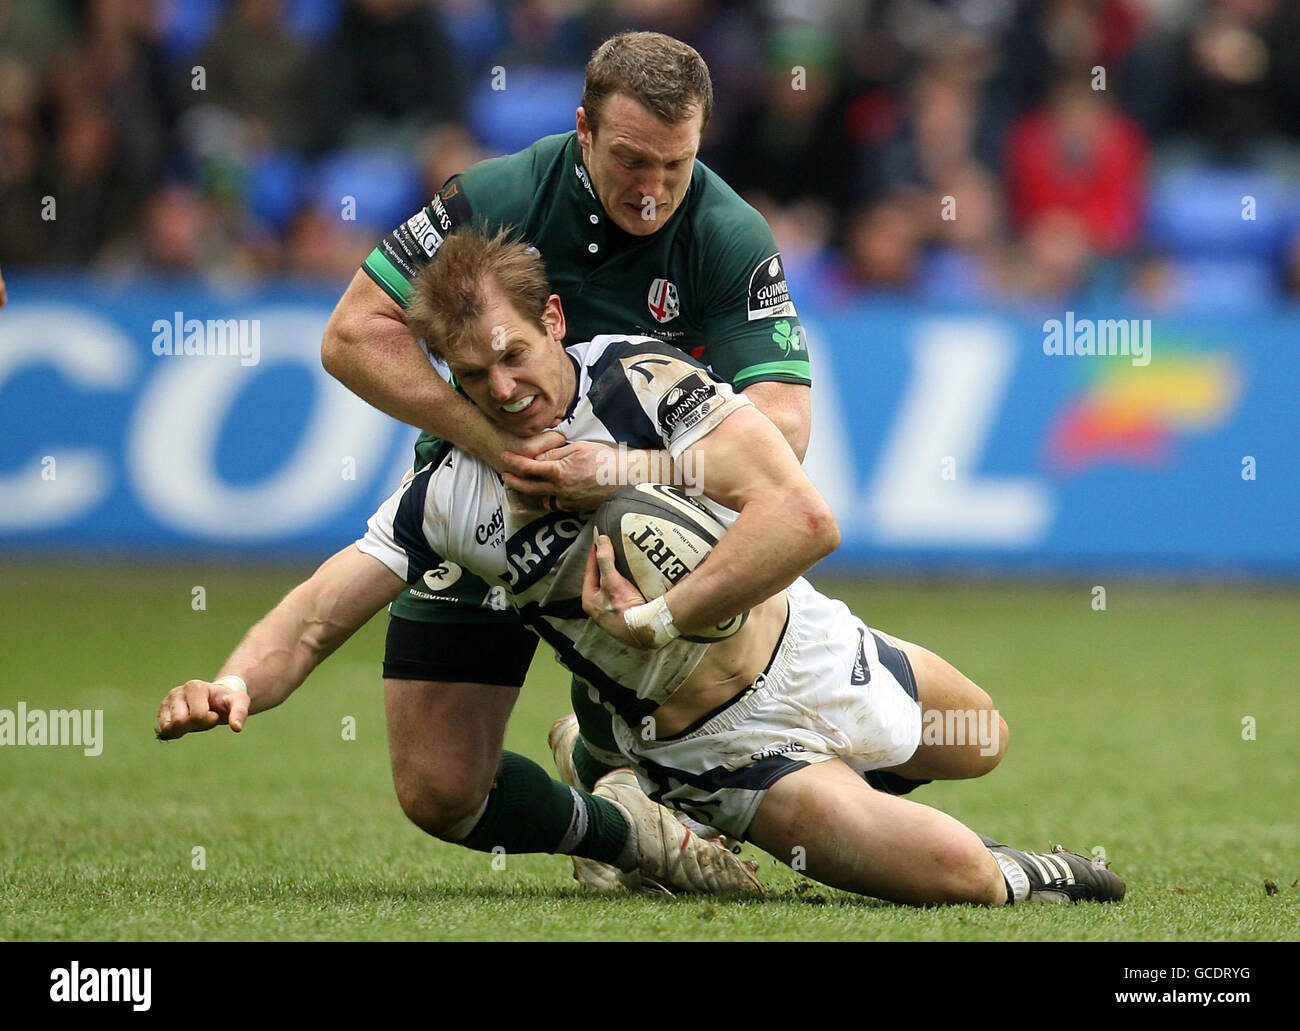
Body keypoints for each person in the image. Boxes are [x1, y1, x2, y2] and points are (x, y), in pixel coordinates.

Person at [159, 230, 1124, 906]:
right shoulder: (448, 498)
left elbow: (803, 515)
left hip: (809, 639)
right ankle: (674, 793)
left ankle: (605, 755)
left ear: (551, 318)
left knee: (981, 737)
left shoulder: (638, 376)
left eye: (513, 355)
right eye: (472, 374)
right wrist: (236, 680)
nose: (503, 388)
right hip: (717, 743)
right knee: (961, 878)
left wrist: (625, 497)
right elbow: (317, 616)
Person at [318, 32, 813, 886]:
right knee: (439, 790)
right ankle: (622, 831)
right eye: (630, 160)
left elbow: (785, 423)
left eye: (676, 164)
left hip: (625, 510)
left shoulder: (729, 231)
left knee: (685, 526)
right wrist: (499, 446)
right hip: (481, 498)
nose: (652, 191)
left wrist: (627, 472)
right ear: (584, 128)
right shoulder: (498, 193)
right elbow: (354, 334)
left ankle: (610, 747)